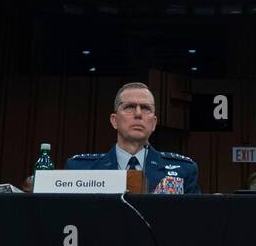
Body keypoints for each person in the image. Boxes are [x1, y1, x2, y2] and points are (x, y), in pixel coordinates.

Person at [66, 82, 200, 194]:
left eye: (146, 108)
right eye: (129, 107)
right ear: (114, 121)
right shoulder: (80, 169)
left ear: (153, 123)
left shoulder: (184, 171)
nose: (138, 114)